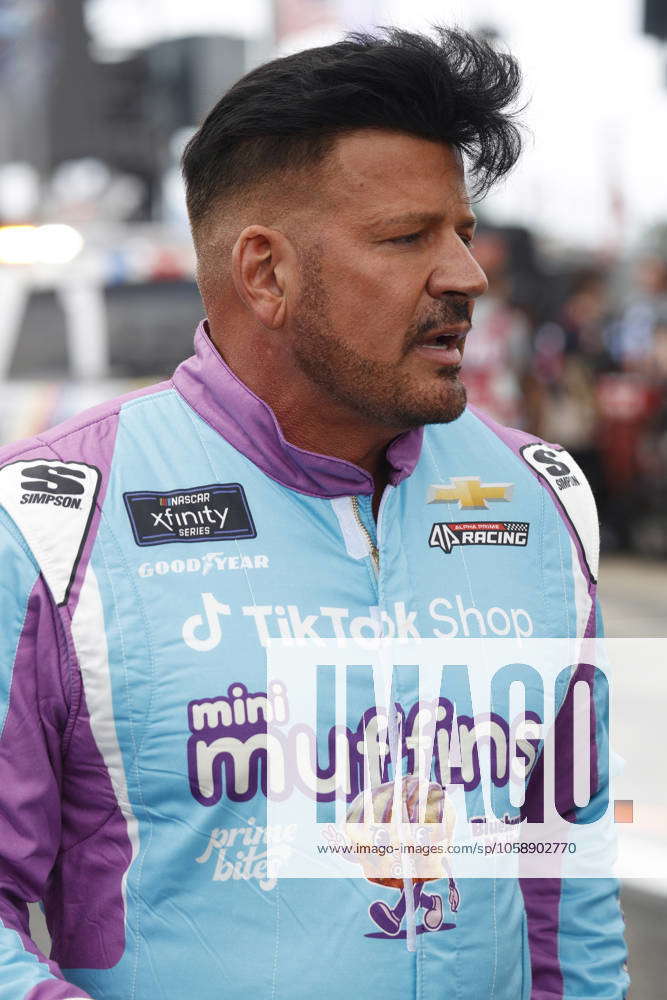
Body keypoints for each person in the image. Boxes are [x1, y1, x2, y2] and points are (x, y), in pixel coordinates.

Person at [0, 27, 629, 1000]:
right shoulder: (51, 519)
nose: (466, 274)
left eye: (460, 230)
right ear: (266, 272)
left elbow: (565, 883)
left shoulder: (538, 495)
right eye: (407, 236)